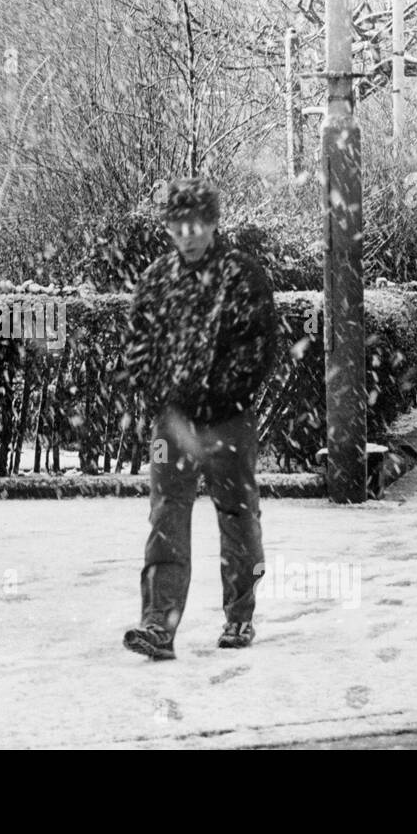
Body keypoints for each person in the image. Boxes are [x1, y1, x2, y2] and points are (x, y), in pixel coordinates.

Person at [120, 177, 278, 661]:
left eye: (197, 224)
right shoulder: (157, 278)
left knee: (238, 517)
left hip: (228, 420)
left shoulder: (242, 276)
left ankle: (239, 617)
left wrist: (220, 397)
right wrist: (160, 399)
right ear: (170, 227)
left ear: (212, 224)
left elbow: (259, 349)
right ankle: (158, 625)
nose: (188, 234)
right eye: (180, 225)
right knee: (166, 517)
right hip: (173, 423)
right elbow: (138, 344)